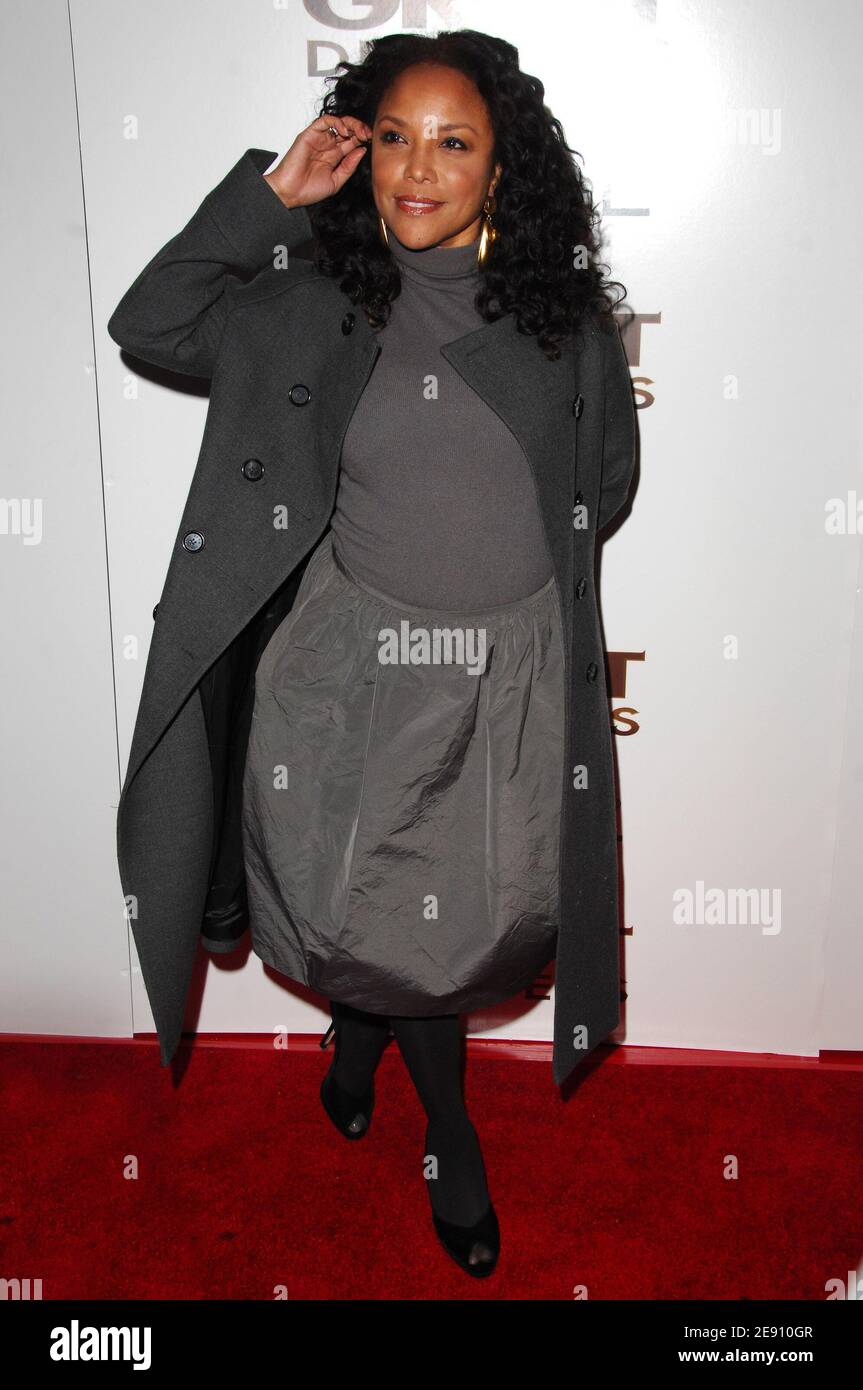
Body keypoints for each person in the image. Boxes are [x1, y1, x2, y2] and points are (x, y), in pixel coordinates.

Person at [110, 27, 633, 1281]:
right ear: (358, 144)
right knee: (375, 901)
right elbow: (152, 317)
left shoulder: (564, 324)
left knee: (448, 924)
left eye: (453, 142)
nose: (415, 168)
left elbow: (601, 484)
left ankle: (358, 1044)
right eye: (392, 135)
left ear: (502, 167)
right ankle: (449, 1132)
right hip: (353, 667)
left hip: (499, 681)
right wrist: (268, 196)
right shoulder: (310, 305)